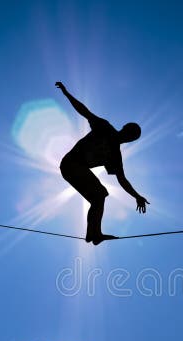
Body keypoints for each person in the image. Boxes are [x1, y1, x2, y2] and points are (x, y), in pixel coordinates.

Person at [55, 81, 149, 244]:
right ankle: (95, 234)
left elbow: (122, 180)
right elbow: (84, 111)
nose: (128, 137)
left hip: (74, 169)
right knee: (100, 194)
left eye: (132, 137)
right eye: (129, 133)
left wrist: (137, 196)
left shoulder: (115, 156)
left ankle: (92, 234)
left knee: (99, 197)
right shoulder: (104, 127)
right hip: (70, 163)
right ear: (124, 129)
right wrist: (66, 93)